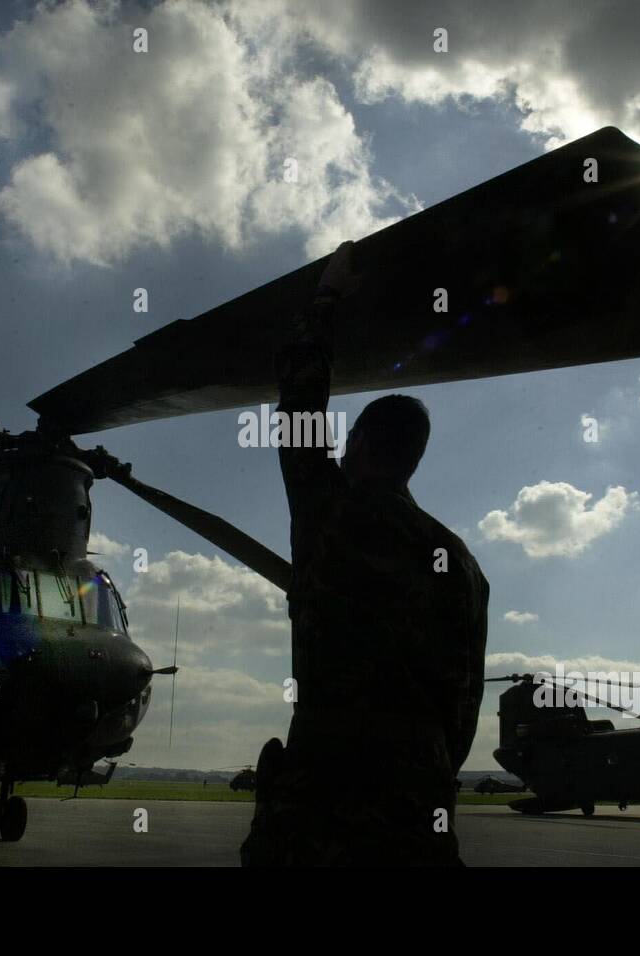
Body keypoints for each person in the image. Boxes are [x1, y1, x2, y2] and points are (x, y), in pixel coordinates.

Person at [240, 241, 489, 866]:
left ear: (356, 446)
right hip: (418, 814)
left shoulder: (331, 512)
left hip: (322, 807)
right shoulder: (460, 562)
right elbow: (464, 705)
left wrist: (324, 300)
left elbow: (299, 410)